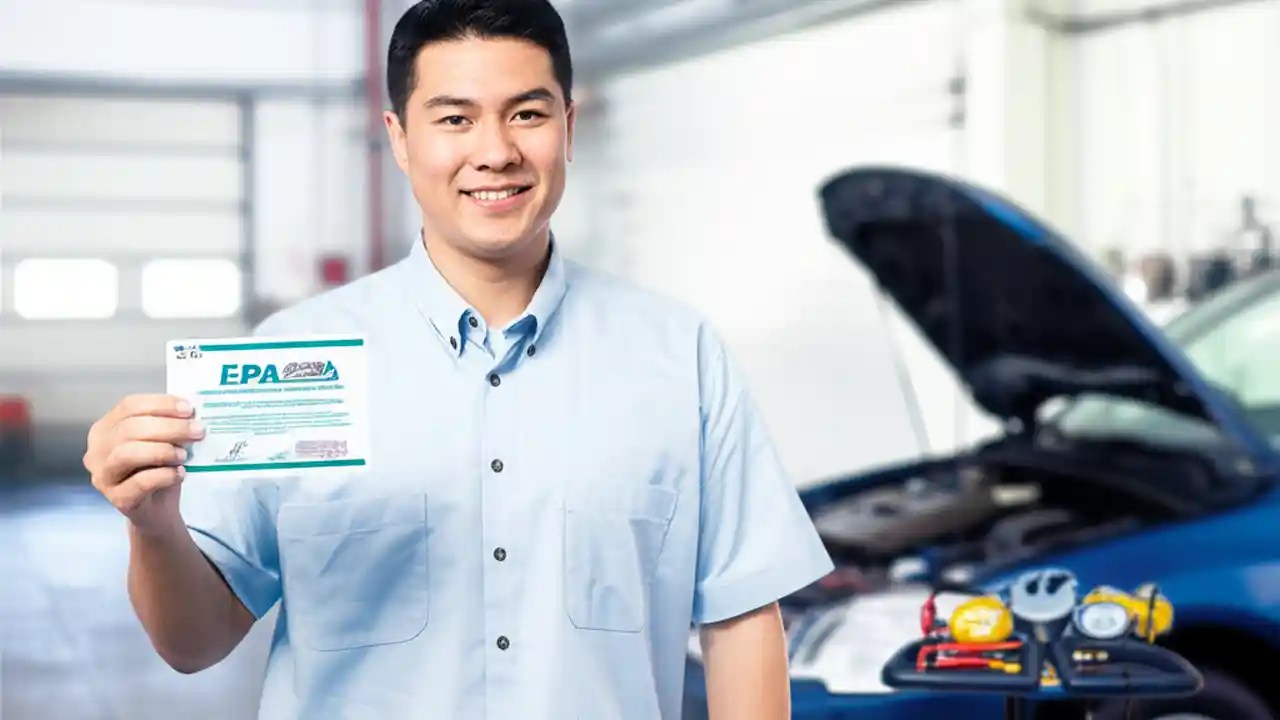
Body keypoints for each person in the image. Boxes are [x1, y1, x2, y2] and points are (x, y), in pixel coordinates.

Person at [82, 1, 834, 717]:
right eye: (455, 119)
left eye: (528, 114)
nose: (496, 152)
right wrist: (155, 527)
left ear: (568, 127)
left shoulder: (679, 356)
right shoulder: (292, 358)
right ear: (400, 137)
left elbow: (739, 617)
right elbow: (193, 643)